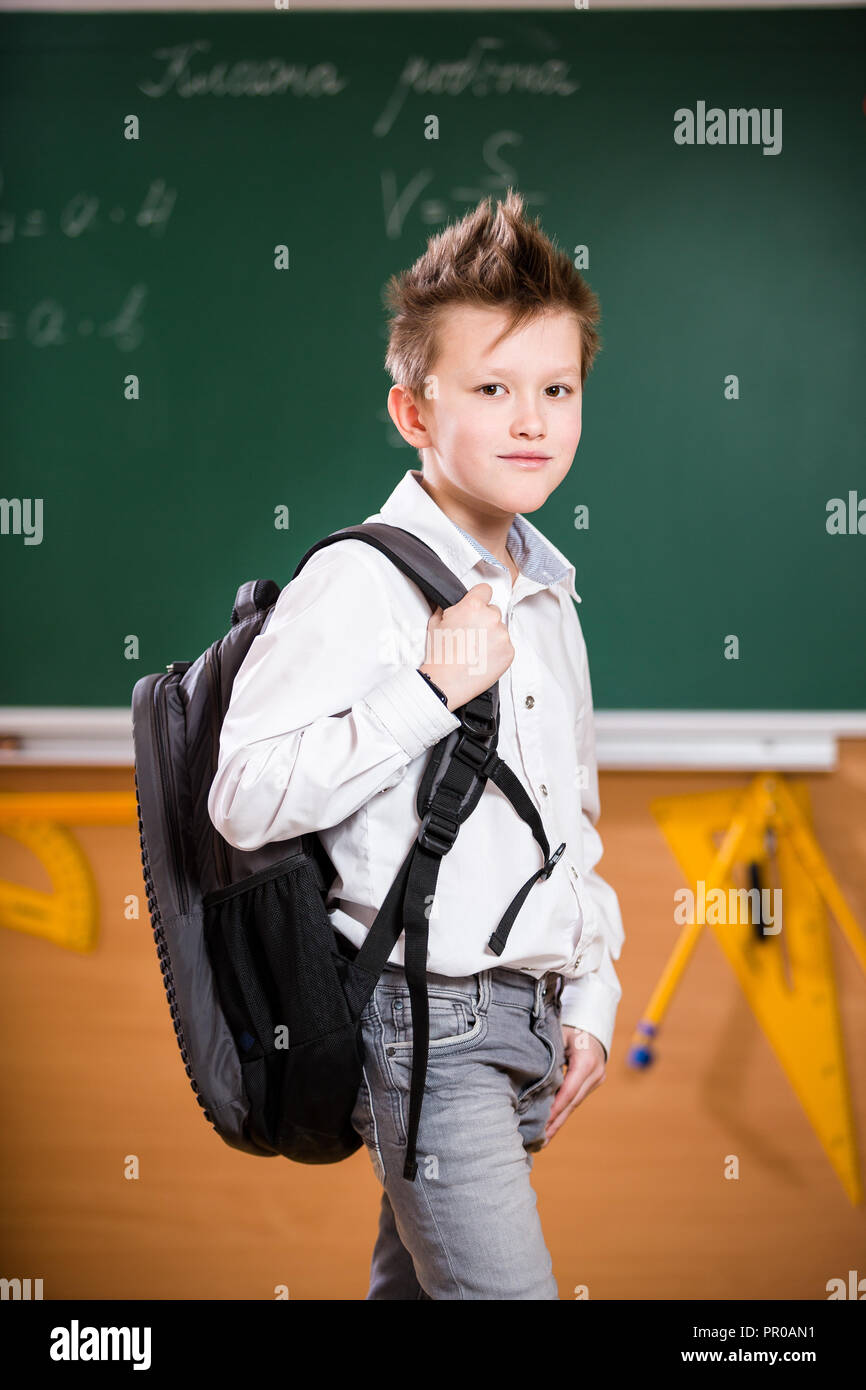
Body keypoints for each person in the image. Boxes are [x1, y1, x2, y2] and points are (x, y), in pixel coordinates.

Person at [207, 188, 625, 1300]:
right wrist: (426, 690)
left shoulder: (549, 594)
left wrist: (589, 992)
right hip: (420, 1024)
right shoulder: (358, 580)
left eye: (555, 389)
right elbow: (242, 795)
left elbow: (570, 819)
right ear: (414, 413)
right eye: (491, 390)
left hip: (523, 1016)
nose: (531, 419)